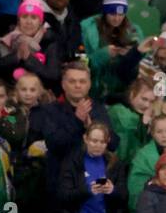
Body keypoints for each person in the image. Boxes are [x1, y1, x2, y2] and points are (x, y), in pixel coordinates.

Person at [29, 61, 115, 192]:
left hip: (94, 179)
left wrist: (93, 129)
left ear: (89, 84)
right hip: (60, 182)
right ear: (63, 84)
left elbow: (113, 143)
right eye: (72, 81)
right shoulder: (50, 111)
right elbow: (54, 144)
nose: (78, 85)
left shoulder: (98, 110)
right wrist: (77, 120)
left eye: (82, 81)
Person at [0, 0, 60, 90]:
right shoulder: (7, 38)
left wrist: (29, 58)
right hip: (9, 95)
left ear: (40, 22)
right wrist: (16, 57)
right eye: (24, 16)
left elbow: (53, 76)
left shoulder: (49, 41)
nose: (28, 22)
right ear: (18, 20)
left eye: (34, 17)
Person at [81, 0, 135, 101]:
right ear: (105, 11)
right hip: (92, 88)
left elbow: (139, 65)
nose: (117, 18)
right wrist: (103, 54)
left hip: (120, 90)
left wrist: (131, 55)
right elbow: (81, 63)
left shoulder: (133, 31)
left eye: (121, 14)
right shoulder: (87, 28)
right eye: (112, 13)